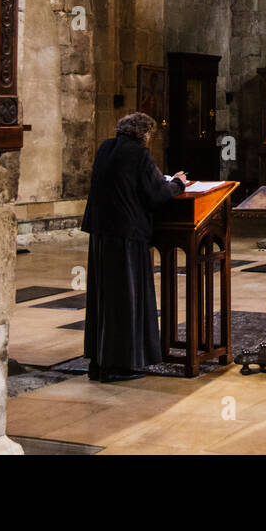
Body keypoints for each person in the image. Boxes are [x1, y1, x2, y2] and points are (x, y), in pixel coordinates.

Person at [81, 112, 190, 382]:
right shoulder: (139, 154)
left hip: (101, 233)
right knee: (126, 300)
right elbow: (156, 193)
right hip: (127, 235)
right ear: (145, 134)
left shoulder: (106, 147)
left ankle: (100, 362)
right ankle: (121, 365)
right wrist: (177, 183)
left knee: (104, 300)